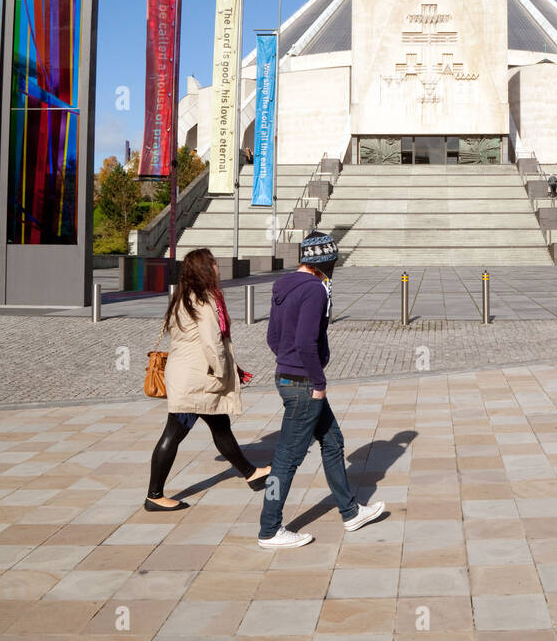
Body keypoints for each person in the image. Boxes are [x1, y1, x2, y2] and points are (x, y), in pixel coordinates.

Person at [257, 231, 385, 549]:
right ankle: (270, 529)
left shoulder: (283, 285)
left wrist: (288, 362)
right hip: (304, 385)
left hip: (287, 377)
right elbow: (305, 342)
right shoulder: (314, 290)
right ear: (325, 262)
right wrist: (318, 382)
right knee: (286, 459)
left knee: (332, 442)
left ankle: (350, 512)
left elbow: (273, 338)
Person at [145, 247, 271, 511]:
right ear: (204, 269)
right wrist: (222, 373)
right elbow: (211, 343)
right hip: (197, 379)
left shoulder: (184, 296)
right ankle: (154, 495)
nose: (217, 267)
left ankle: (251, 473)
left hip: (188, 374)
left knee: (220, 425)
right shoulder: (203, 301)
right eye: (213, 263)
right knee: (174, 432)